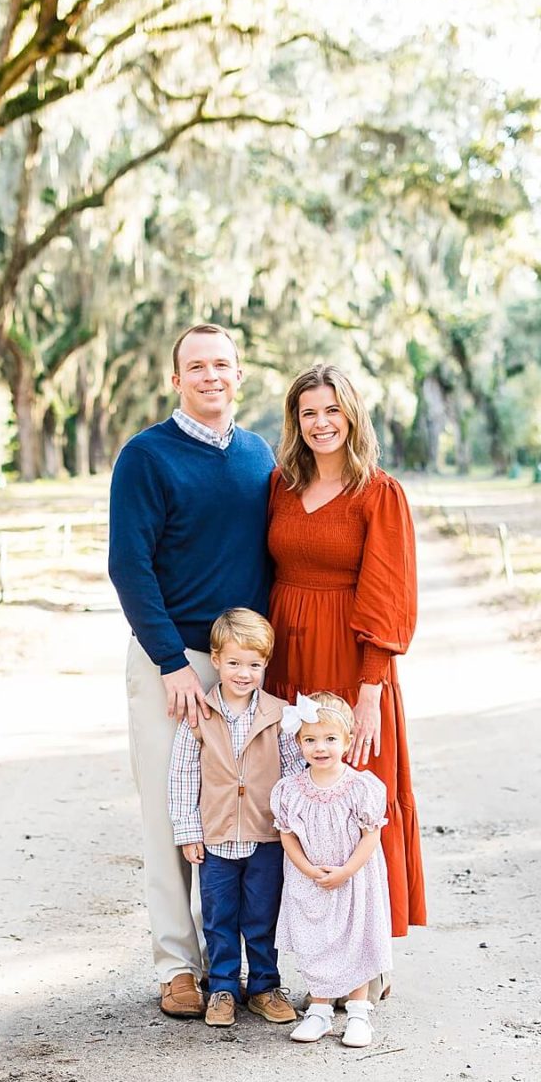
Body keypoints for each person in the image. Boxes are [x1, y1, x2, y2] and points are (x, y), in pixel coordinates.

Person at [108, 324, 276, 1018]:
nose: (211, 376)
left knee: (246, 818)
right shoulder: (146, 457)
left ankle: (240, 967)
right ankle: (178, 967)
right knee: (171, 815)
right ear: (176, 380)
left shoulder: (260, 454)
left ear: (240, 376)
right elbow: (130, 565)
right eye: (196, 366)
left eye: (222, 365)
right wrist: (170, 661)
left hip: (245, 670)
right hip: (172, 666)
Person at [264, 363, 423, 995]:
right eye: (309, 412)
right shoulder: (279, 485)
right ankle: (312, 958)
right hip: (285, 657)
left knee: (359, 800)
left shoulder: (378, 492)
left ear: (352, 415)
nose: (321, 423)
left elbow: (388, 594)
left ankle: (369, 959)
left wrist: (370, 690)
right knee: (301, 806)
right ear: (295, 421)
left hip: (349, 663)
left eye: (333, 410)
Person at [167, 609, 303, 1028]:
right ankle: (223, 988)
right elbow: (183, 776)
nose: (244, 673)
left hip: (266, 839)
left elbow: (296, 777)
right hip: (217, 839)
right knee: (219, 918)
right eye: (234, 663)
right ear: (214, 660)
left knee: (262, 917)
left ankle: (264, 987)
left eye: (254, 665)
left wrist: (295, 831)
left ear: (265, 665)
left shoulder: (279, 716)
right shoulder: (200, 716)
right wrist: (190, 832)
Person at [270, 692, 391, 1047]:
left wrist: (346, 871)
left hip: (354, 878)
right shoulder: (289, 790)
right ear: (298, 743)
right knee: (317, 941)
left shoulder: (362, 787)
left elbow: (371, 835)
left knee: (355, 940)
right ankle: (319, 1011)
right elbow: (287, 836)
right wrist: (307, 869)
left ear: (347, 741)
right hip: (310, 880)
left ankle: (358, 1011)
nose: (319, 747)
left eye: (330, 739)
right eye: (310, 739)